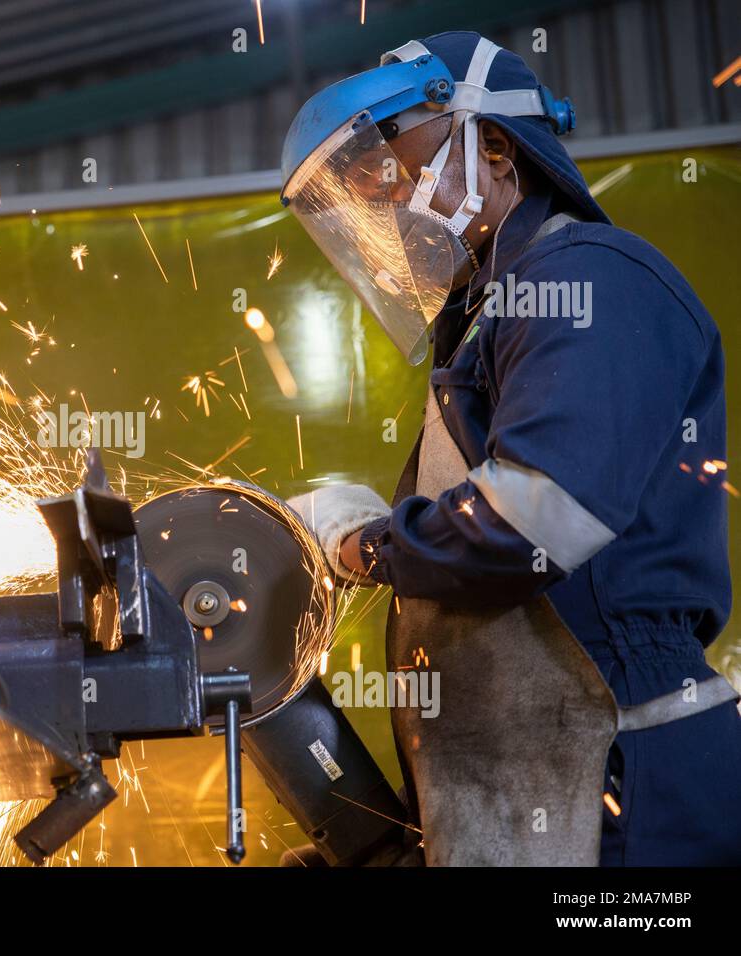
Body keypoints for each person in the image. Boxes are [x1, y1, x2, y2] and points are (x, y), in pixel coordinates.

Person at [281, 30, 741, 865]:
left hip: (628, 775)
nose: (385, 212)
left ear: (493, 145)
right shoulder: (488, 317)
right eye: (362, 198)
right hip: (546, 769)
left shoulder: (592, 281)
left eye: (395, 173)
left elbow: (539, 518)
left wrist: (362, 546)